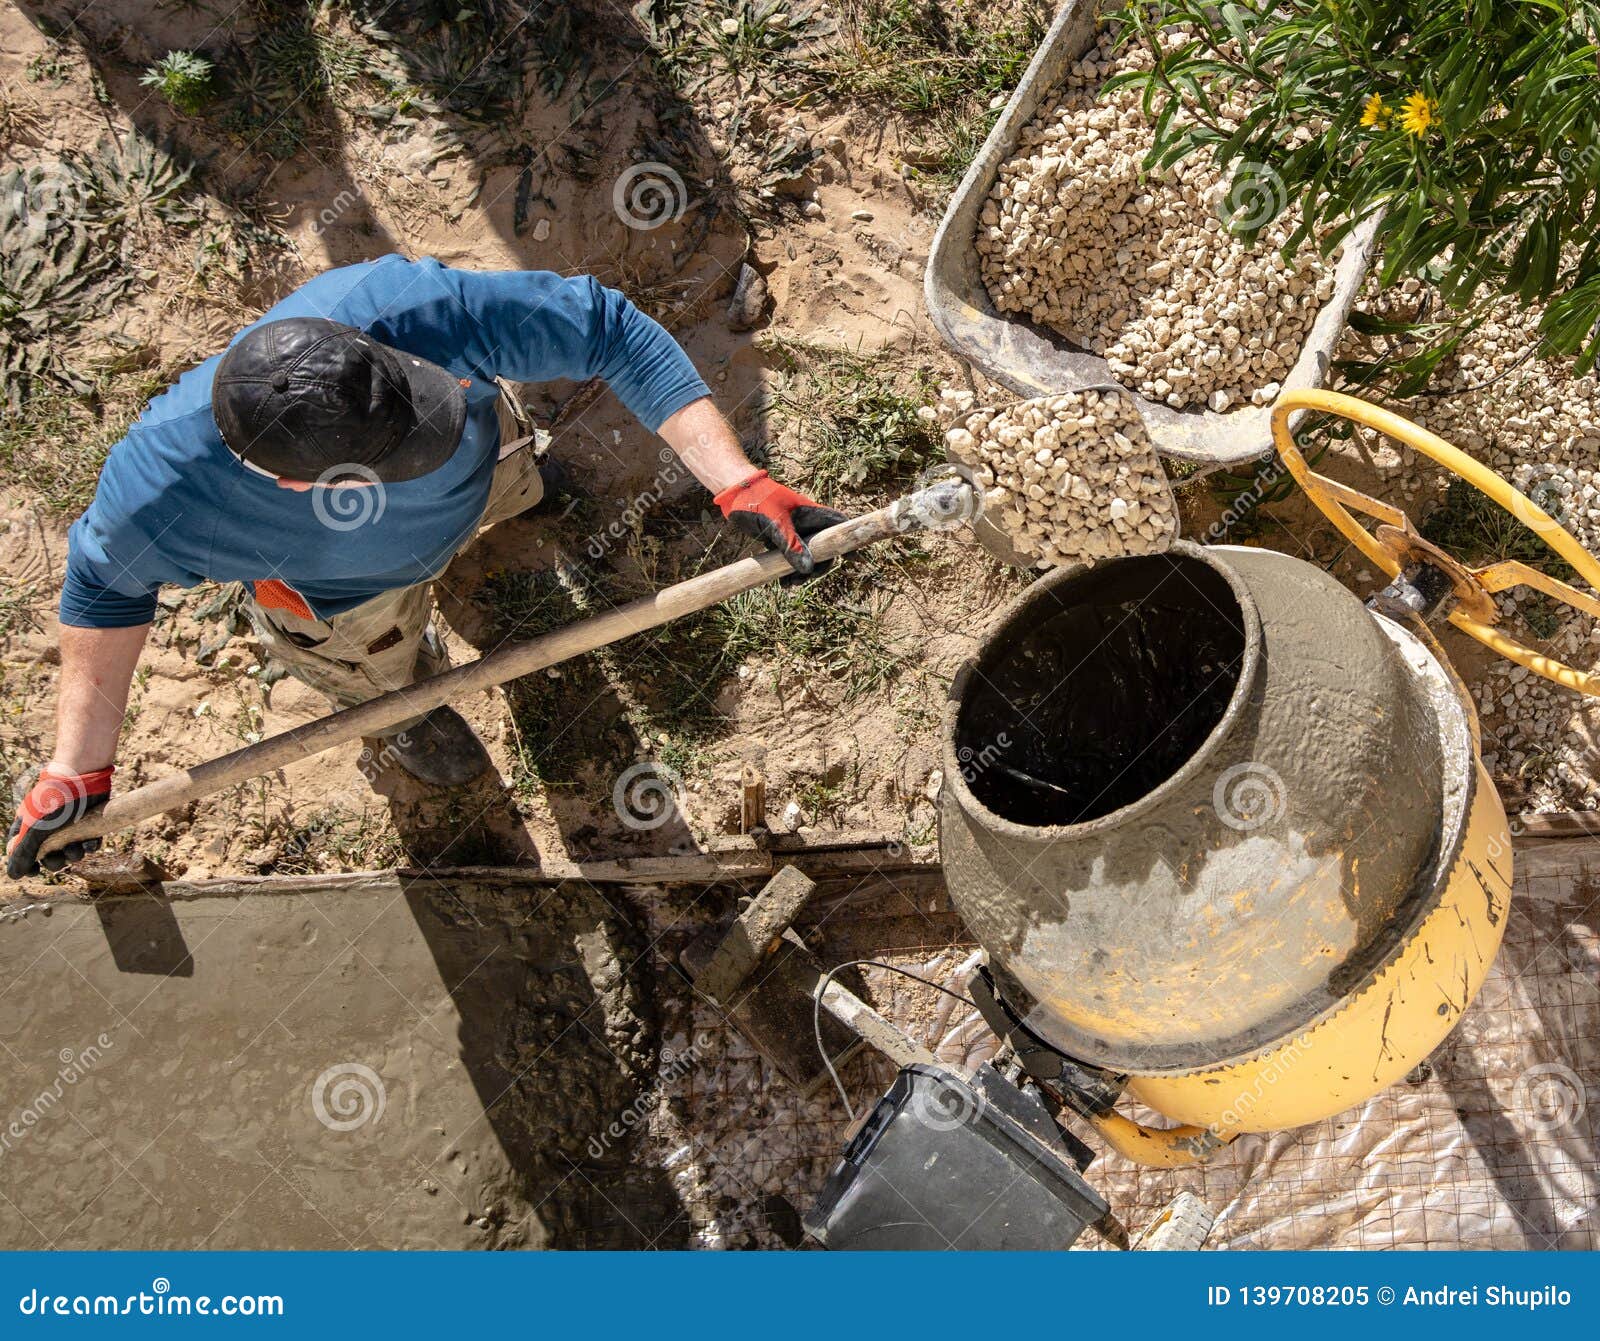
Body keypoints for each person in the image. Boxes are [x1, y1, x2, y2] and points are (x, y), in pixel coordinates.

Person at [5, 255, 843, 878]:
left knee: (506, 469)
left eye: (419, 400)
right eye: (403, 452)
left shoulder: (402, 307)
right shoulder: (163, 492)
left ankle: (508, 497)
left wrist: (739, 480)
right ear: (297, 482)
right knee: (375, 665)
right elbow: (102, 591)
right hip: (348, 595)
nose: (425, 431)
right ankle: (401, 707)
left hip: (489, 464)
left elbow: (610, 330)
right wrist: (80, 768)